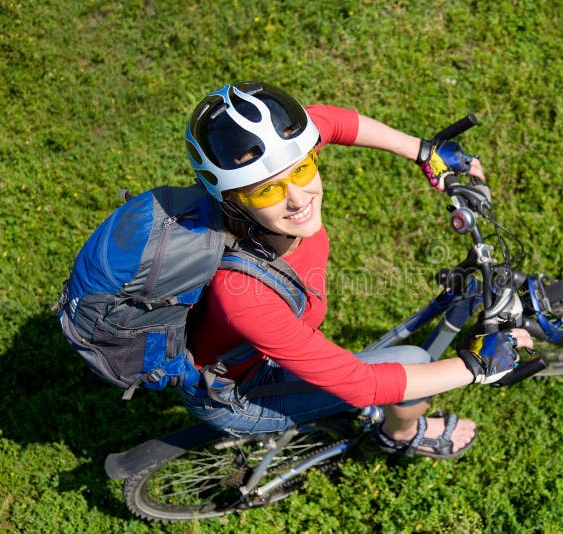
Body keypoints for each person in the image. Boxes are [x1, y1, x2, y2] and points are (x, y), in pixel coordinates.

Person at [182, 82, 533, 459]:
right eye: (267, 192)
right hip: (243, 393)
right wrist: (477, 366)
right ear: (232, 200)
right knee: (414, 365)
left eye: (302, 170)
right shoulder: (242, 296)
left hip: (260, 343)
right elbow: (361, 385)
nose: (298, 199)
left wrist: (423, 151)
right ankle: (401, 433)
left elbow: (330, 121)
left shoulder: (270, 164)